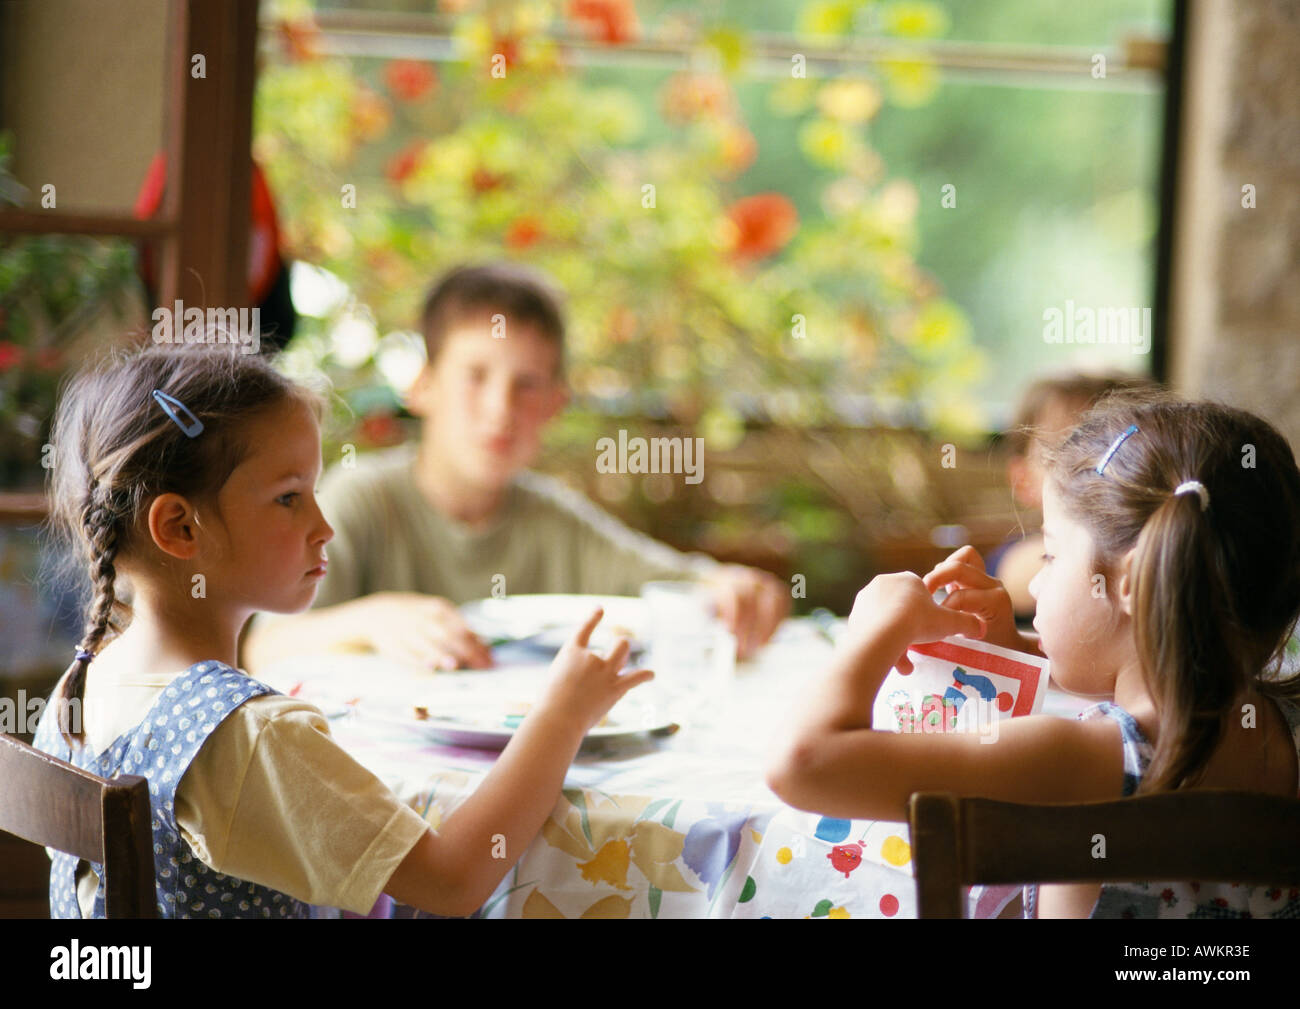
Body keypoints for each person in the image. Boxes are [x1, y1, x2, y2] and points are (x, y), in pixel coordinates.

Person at [33, 342, 653, 918]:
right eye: (288, 497)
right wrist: (562, 717)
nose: (323, 526)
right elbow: (455, 881)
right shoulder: (247, 738)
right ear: (181, 528)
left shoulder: (77, 688)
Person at [767, 391, 1300, 918]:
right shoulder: (1282, 729)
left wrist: (874, 630)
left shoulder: (1085, 761)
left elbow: (802, 763)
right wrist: (1012, 651)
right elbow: (1178, 670)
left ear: (1133, 582)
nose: (1039, 583)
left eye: (1051, 552)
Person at [243, 263, 787, 674]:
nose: (500, 409)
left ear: (555, 403)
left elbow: (681, 583)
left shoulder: (552, 518)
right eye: (476, 376)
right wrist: (371, 619)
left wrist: (728, 585)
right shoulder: (359, 499)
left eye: (526, 385)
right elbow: (260, 645)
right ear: (423, 386)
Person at [993, 371, 1154, 620]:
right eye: (1071, 452)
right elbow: (1012, 578)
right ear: (1023, 481)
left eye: (1123, 449)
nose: (1104, 467)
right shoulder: (1021, 560)